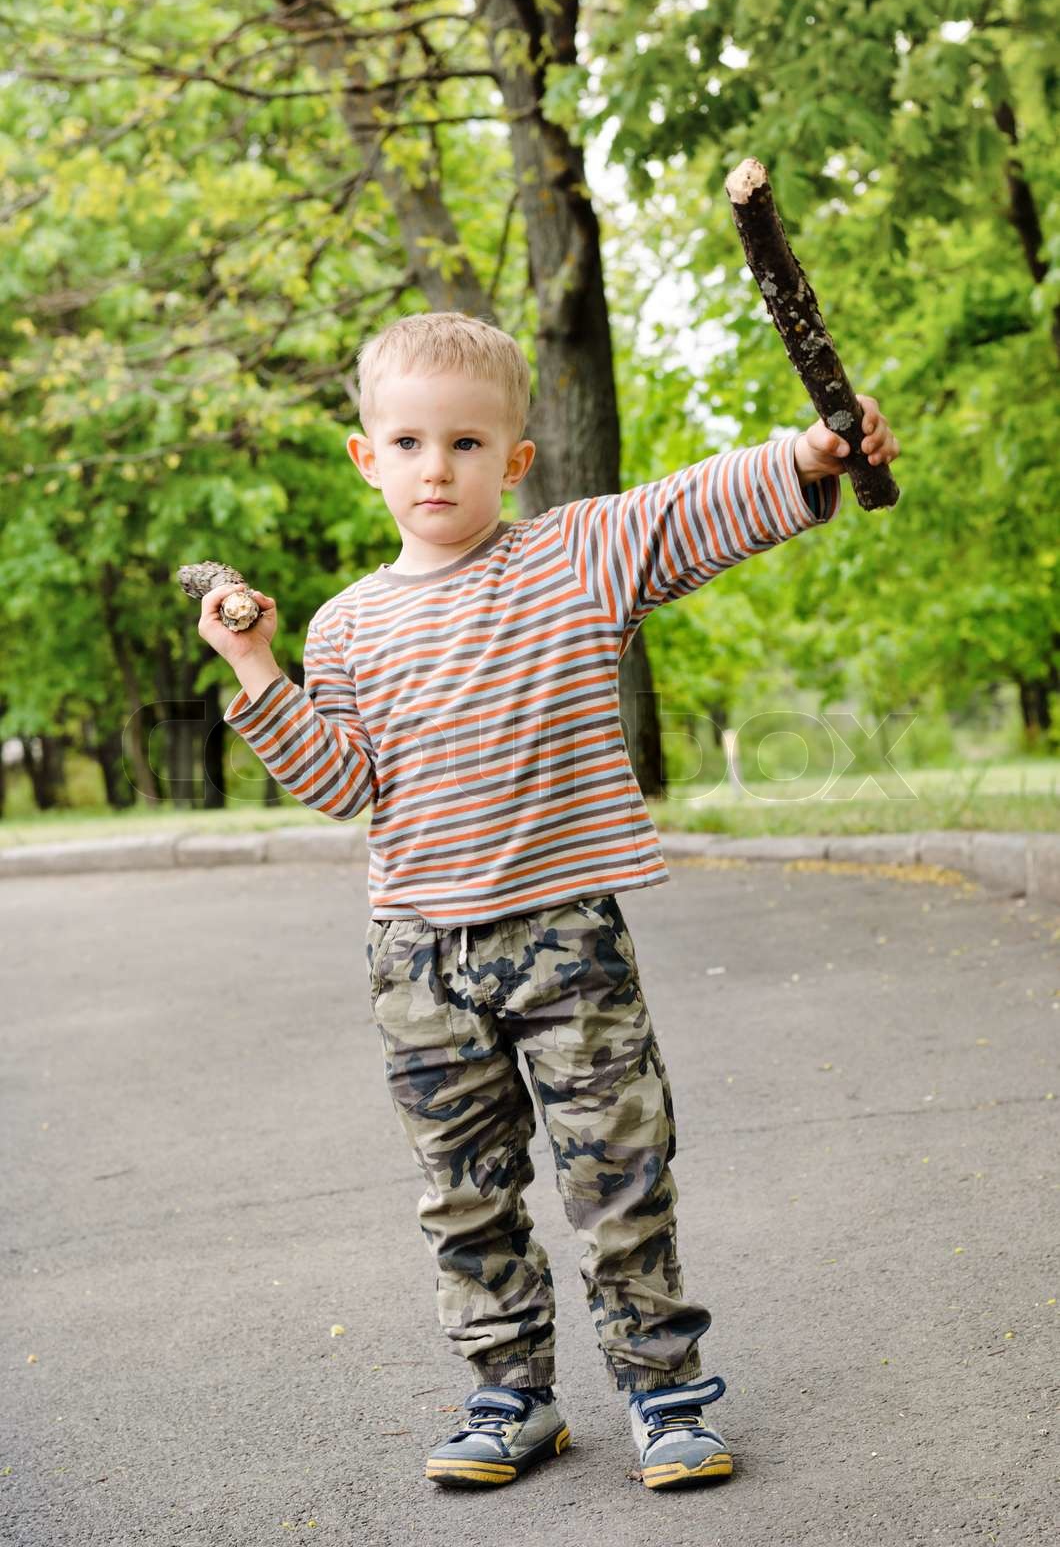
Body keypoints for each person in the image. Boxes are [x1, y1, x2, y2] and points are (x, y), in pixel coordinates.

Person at [198, 311, 899, 1492]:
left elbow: (685, 507)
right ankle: (508, 1394)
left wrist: (808, 457)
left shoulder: (571, 557)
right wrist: (260, 670)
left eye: (468, 443)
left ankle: (666, 1390)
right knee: (466, 1193)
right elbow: (342, 786)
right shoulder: (350, 624)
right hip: (419, 956)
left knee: (617, 1174)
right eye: (410, 442)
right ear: (367, 455)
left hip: (563, 938)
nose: (438, 467)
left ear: (513, 459)